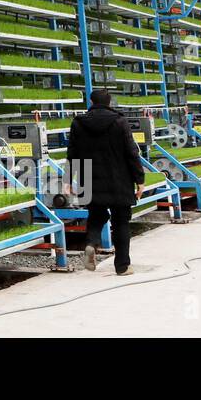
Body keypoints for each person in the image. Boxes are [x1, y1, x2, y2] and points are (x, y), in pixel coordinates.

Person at [67, 89, 145, 276]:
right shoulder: (119, 122)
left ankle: (90, 243)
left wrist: (68, 180)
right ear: (109, 102)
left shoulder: (78, 123)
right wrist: (139, 179)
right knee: (121, 221)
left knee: (96, 215)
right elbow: (131, 152)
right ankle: (123, 266)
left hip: (89, 177)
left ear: (91, 102)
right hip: (119, 179)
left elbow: (72, 153)